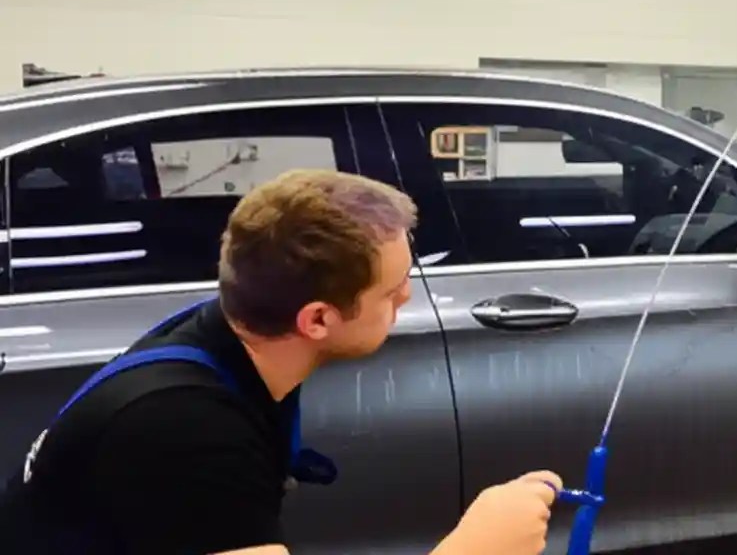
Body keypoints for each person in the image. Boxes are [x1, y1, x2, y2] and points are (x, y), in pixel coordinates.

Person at [0, 169, 563, 554]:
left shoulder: (225, 337)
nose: (406, 299)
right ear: (316, 319)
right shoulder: (186, 432)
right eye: (392, 290)